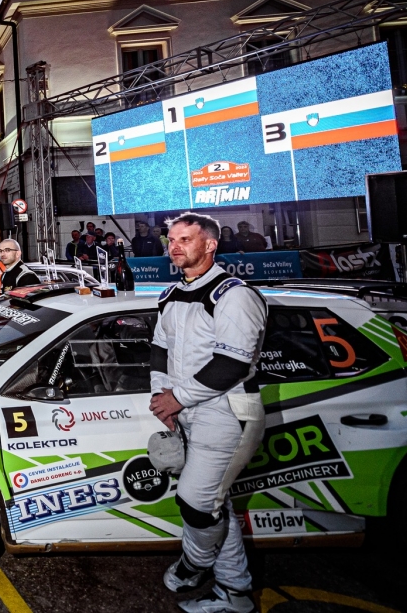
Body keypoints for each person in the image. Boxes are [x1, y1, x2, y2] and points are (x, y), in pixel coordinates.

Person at [149, 212, 266, 613]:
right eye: (171, 240)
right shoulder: (170, 294)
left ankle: (195, 564)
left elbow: (232, 364)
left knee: (196, 503)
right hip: (189, 409)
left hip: (228, 411)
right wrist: (160, 396)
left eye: (185, 239)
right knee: (216, 503)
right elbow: (160, 348)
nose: (175, 246)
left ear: (210, 244)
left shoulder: (234, 295)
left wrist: (176, 398)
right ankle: (235, 593)